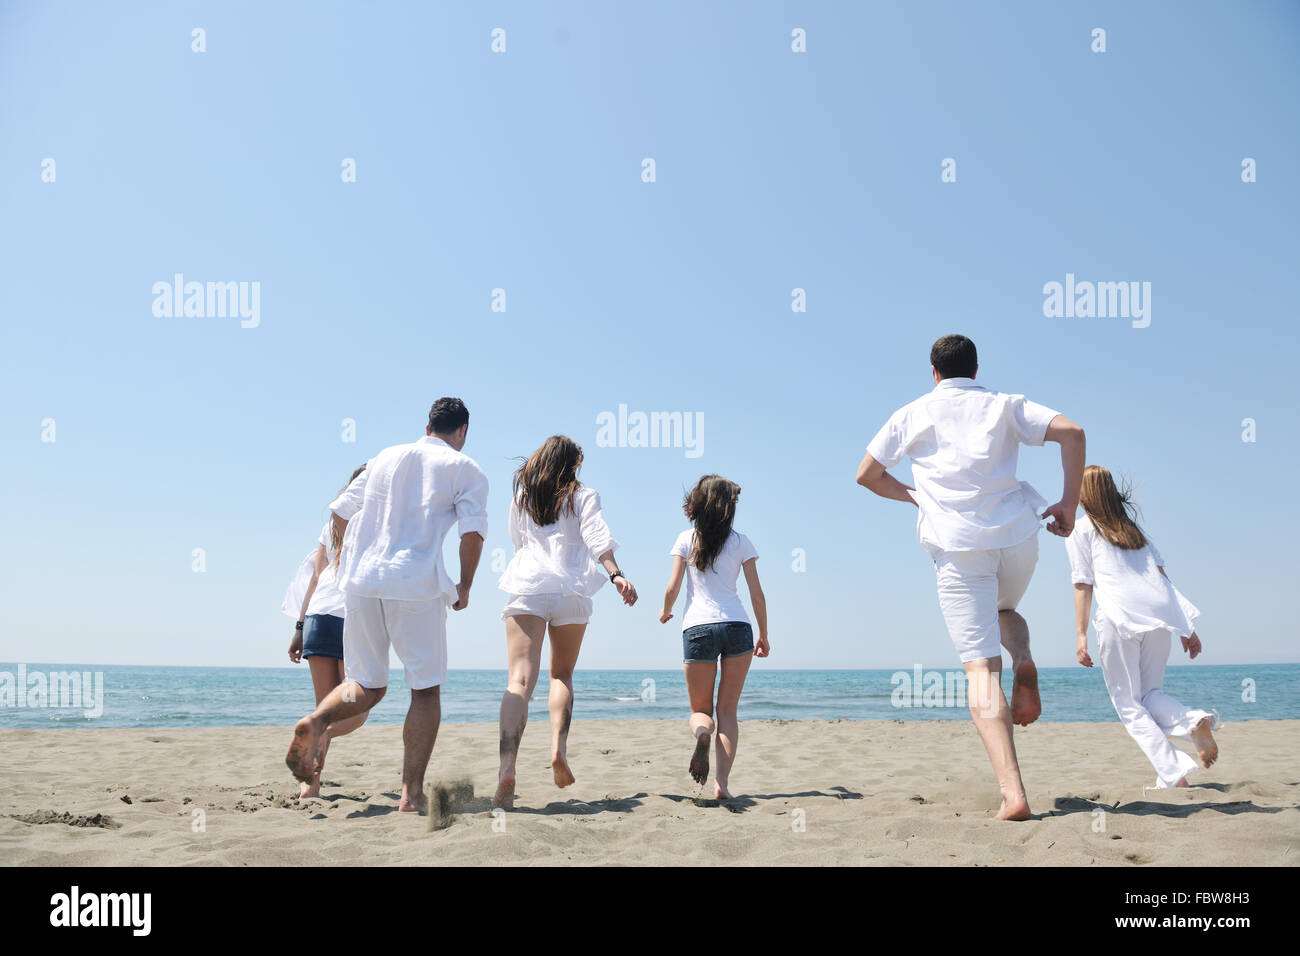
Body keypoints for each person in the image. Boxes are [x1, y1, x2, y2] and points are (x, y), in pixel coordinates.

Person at [856, 333, 1085, 820]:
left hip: (958, 550)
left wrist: (915, 495)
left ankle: (1014, 795)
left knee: (981, 671)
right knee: (1006, 610)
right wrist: (1068, 503)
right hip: (1019, 537)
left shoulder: (912, 413)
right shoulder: (1004, 405)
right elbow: (1073, 432)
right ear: (976, 370)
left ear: (933, 373)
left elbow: (867, 475)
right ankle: (1023, 655)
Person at [285, 398, 489, 814]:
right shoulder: (466, 469)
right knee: (425, 689)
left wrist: (359, 554)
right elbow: (472, 533)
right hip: (415, 582)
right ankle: (411, 794)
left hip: (361, 583)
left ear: (427, 426)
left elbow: (339, 513)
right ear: (462, 431)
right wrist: (465, 585)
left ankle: (318, 720)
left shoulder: (384, 457)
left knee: (367, 685)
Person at [492, 435, 636, 809]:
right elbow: (595, 536)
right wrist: (616, 574)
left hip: (529, 584)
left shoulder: (522, 497)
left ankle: (507, 768)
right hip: (571, 588)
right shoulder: (584, 495)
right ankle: (558, 749)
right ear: (572, 463)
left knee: (519, 681)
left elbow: (516, 539)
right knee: (561, 675)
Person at [1067, 465, 1219, 788]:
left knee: (1128, 703)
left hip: (1119, 620)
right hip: (1157, 619)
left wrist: (1080, 634)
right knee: (1149, 695)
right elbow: (1161, 580)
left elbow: (1083, 584)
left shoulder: (1081, 530)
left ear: (1084, 496)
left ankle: (1175, 772)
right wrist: (1184, 627)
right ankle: (1192, 721)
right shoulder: (1135, 532)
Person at [659, 475, 768, 800]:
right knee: (729, 712)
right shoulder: (742, 542)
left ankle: (703, 733)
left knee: (701, 711)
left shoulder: (685, 539)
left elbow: (673, 587)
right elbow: (756, 593)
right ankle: (721, 785)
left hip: (698, 629)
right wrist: (764, 633)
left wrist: (665, 611)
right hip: (738, 627)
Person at [282, 464, 369, 798]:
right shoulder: (372, 522)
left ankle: (310, 787)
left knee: (324, 706)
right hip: (350, 615)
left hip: (318, 615)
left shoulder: (331, 523)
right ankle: (320, 732)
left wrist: (299, 628)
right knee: (356, 711)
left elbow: (315, 579)